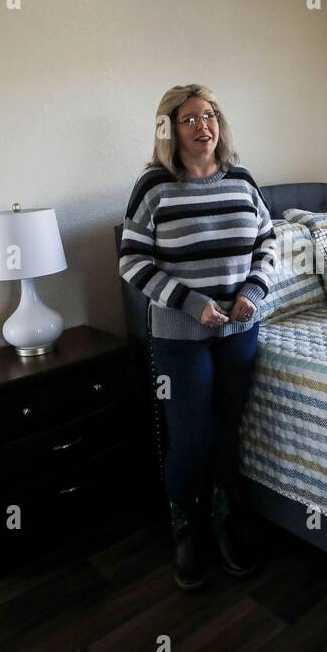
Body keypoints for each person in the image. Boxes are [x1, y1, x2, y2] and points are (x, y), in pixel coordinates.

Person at [118, 83, 277, 591]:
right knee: (191, 438)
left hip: (240, 331)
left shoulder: (243, 180)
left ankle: (225, 517)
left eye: (209, 115)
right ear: (170, 129)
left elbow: (268, 243)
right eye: (189, 118)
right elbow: (131, 260)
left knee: (228, 431)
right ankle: (184, 526)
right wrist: (190, 303)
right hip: (179, 337)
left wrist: (254, 290)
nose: (202, 125)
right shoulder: (154, 187)